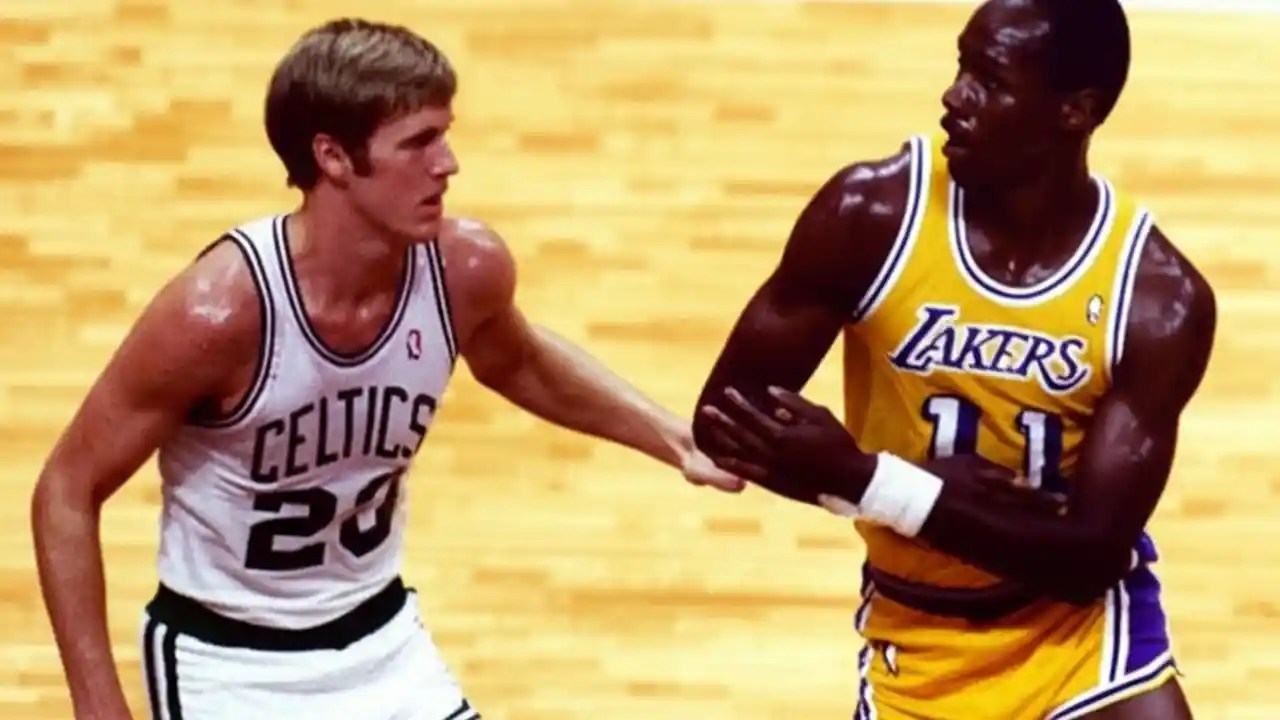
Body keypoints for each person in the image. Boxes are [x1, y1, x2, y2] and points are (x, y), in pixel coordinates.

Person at [30, 17, 745, 720]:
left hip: (381, 638)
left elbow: (519, 361)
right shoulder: (219, 315)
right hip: (229, 662)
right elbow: (65, 490)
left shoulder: (463, 269)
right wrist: (99, 705)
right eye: (419, 142)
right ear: (334, 158)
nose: (449, 163)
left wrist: (675, 440)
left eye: (446, 132)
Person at [693, 0, 1215, 718]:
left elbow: (1089, 559)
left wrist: (871, 481)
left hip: (1079, 635)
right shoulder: (869, 217)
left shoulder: (1157, 299)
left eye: (990, 80)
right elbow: (726, 420)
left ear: (1075, 111)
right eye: (961, 64)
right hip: (917, 627)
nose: (954, 95)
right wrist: (889, 488)